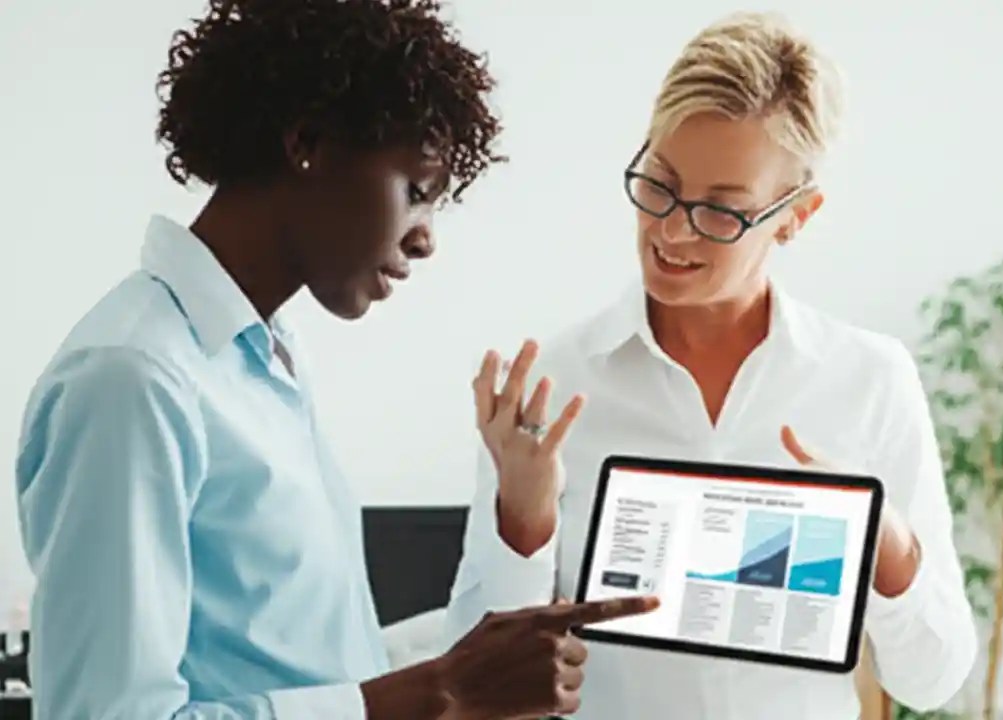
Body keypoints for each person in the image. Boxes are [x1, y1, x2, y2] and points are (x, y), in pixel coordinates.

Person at [13, 1, 656, 718]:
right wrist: (439, 692)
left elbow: (325, 673)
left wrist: (516, 524)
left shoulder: (268, 360)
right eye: (415, 192)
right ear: (309, 142)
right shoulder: (132, 380)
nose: (425, 240)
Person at [443, 10, 978, 719]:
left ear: (797, 215)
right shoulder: (554, 388)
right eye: (659, 184)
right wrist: (524, 520)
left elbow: (932, 679)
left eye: (721, 213)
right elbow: (474, 681)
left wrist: (880, 535)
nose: (671, 231)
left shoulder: (869, 381)